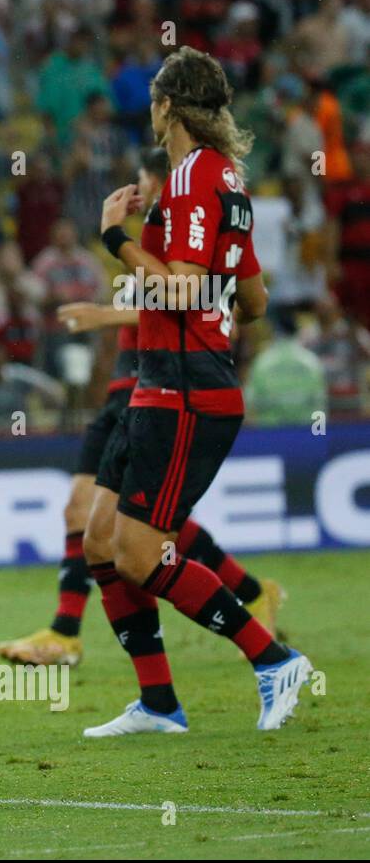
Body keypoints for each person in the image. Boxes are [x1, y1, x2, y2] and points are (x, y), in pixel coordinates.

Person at [82, 47, 310, 737]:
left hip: (184, 392)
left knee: (143, 555)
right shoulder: (223, 183)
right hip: (165, 383)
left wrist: (115, 238)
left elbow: (179, 284)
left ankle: (273, 660)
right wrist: (205, 302)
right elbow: (257, 300)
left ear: (167, 106)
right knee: (100, 540)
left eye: (153, 101)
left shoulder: (192, 182)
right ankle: (158, 704)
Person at [0, 147, 282, 668]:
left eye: (146, 181)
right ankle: (82, 639)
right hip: (126, 387)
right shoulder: (153, 240)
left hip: (160, 391)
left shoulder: (186, 240)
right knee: (105, 518)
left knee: (134, 528)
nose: (139, 190)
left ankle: (73, 634)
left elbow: (201, 308)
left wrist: (105, 310)